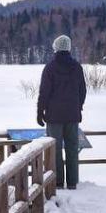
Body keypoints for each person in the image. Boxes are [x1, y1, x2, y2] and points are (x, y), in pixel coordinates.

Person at [36, 34, 87, 189]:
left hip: (54, 116)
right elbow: (82, 91)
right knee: (72, 148)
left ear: (56, 48)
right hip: (72, 116)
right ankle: (72, 182)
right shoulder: (77, 67)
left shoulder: (50, 68)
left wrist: (40, 111)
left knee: (55, 150)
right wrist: (78, 106)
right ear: (69, 48)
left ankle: (57, 182)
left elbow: (44, 92)